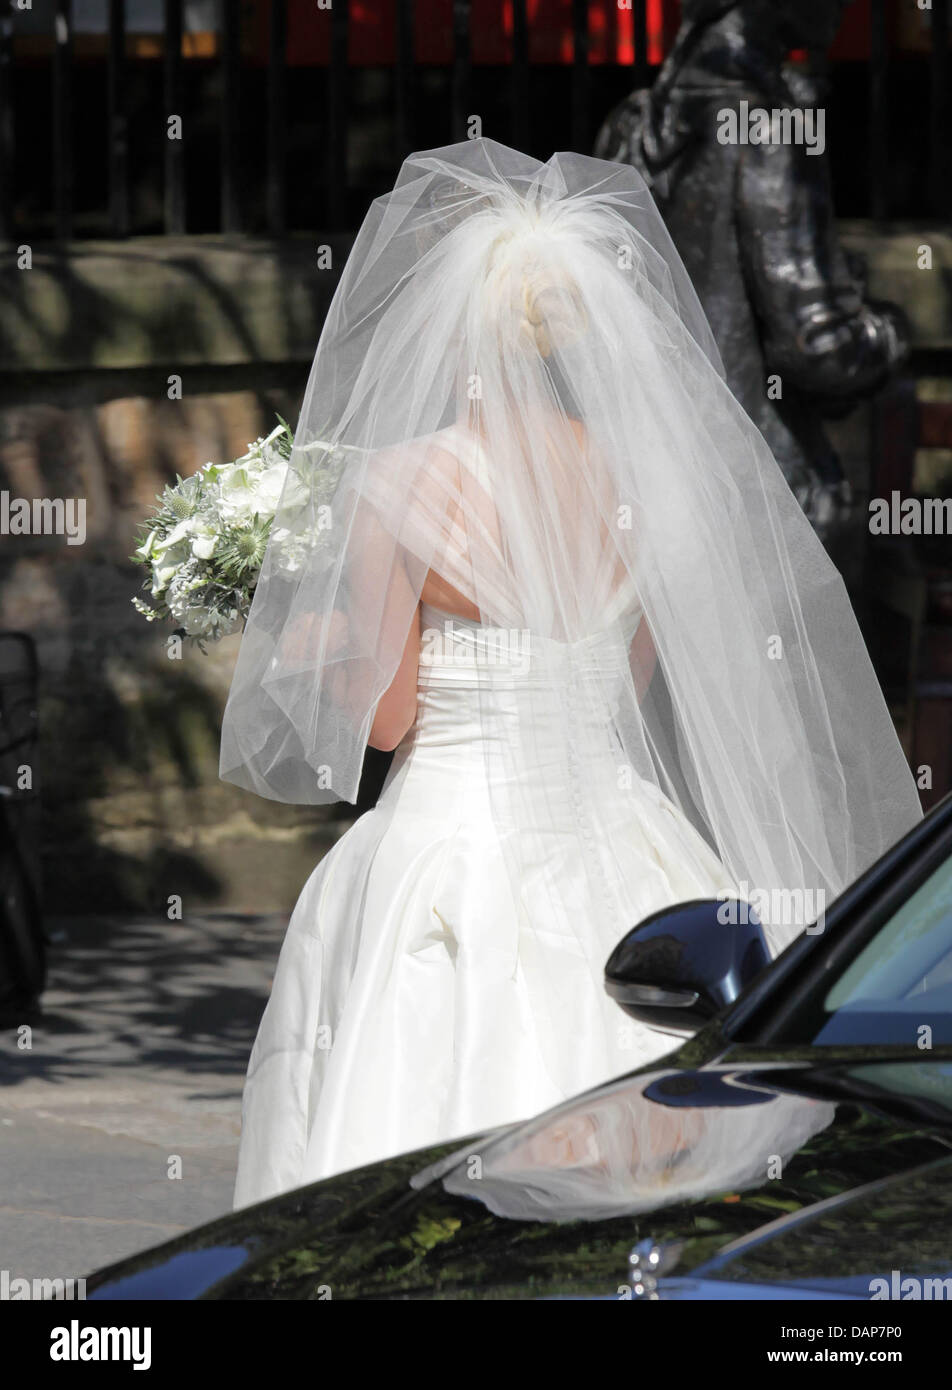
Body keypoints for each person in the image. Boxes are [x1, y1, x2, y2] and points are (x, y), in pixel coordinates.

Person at [219, 138, 921, 1209]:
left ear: (454, 329)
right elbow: (630, 675)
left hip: (446, 839)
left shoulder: (403, 485)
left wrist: (318, 643)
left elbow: (385, 715)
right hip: (624, 842)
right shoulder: (648, 478)